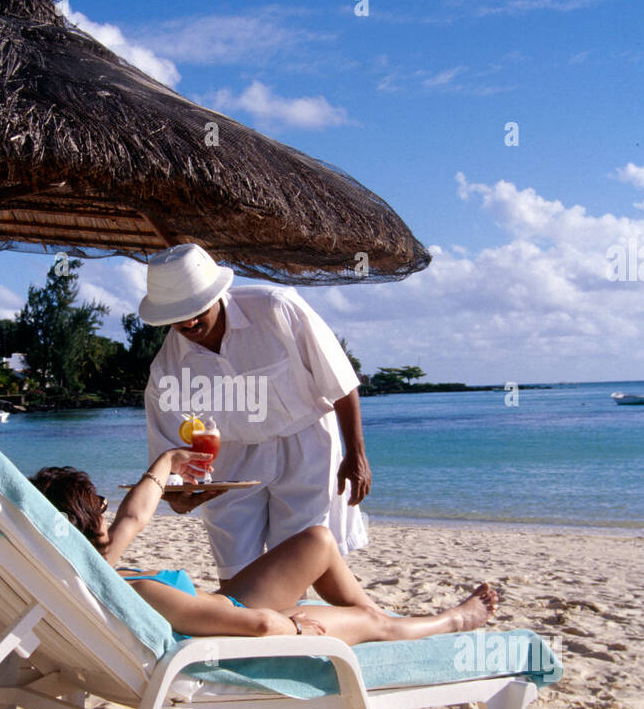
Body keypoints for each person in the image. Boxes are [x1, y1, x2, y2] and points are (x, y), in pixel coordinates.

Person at [28, 450, 498, 646]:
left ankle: (381, 625)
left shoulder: (83, 567)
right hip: (248, 624)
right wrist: (295, 631)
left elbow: (136, 515)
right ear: (85, 523)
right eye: (99, 506)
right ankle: (448, 621)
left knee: (317, 538)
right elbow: (255, 626)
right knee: (371, 621)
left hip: (229, 601)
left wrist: (168, 461)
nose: (110, 511)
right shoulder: (141, 595)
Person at [139, 244, 372, 582]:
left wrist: (357, 454)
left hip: (305, 447)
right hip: (229, 462)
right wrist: (176, 496)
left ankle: (291, 630)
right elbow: (167, 452)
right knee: (235, 575)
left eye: (197, 308)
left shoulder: (278, 308)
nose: (188, 320)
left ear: (218, 295)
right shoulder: (166, 369)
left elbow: (340, 381)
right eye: (177, 314)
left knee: (299, 565)